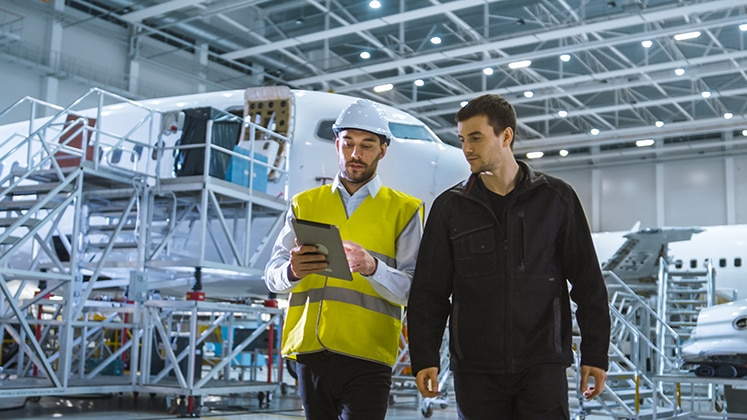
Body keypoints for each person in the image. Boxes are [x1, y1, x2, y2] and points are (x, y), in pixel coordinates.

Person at [406, 93, 611, 419]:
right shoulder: (449, 208)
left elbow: (588, 284)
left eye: (476, 137)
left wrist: (596, 354)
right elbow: (428, 293)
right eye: (462, 139)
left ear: (506, 136)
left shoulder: (556, 199)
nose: (466, 148)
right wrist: (424, 357)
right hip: (476, 370)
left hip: (542, 365)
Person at [264, 98, 424, 420]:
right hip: (310, 351)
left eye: (367, 145)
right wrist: (292, 272)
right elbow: (271, 276)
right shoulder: (304, 203)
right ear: (337, 144)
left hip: (369, 354)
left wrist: (374, 268)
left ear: (383, 150)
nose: (355, 154)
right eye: (348, 143)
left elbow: (414, 290)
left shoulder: (404, 210)